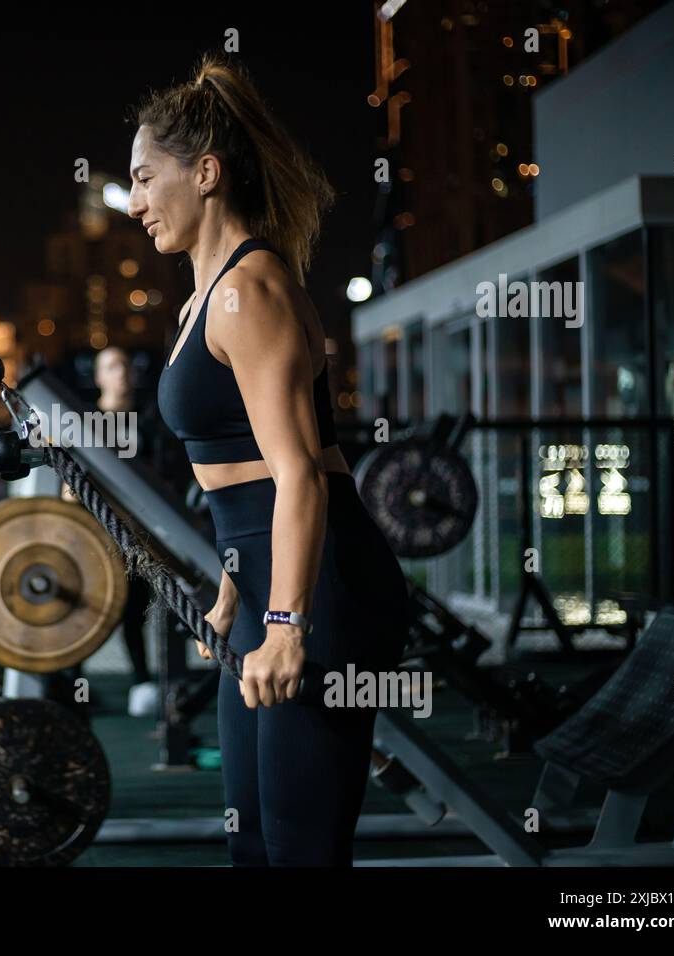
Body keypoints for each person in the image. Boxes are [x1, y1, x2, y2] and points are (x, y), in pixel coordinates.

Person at [127, 54, 409, 866]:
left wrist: (287, 624)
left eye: (148, 179)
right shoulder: (199, 298)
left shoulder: (248, 293)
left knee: (301, 851)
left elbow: (300, 474)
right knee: (250, 841)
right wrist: (231, 583)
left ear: (206, 173)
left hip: (319, 592)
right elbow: (242, 469)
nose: (137, 202)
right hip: (262, 581)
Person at [63, 346, 162, 716]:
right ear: (99, 377)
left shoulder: (149, 426)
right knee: (84, 614)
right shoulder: (88, 425)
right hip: (95, 541)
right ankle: (73, 687)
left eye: (125, 364)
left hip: (137, 542)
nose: (121, 372)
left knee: (134, 616)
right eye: (111, 366)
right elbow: (71, 492)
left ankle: (143, 684)